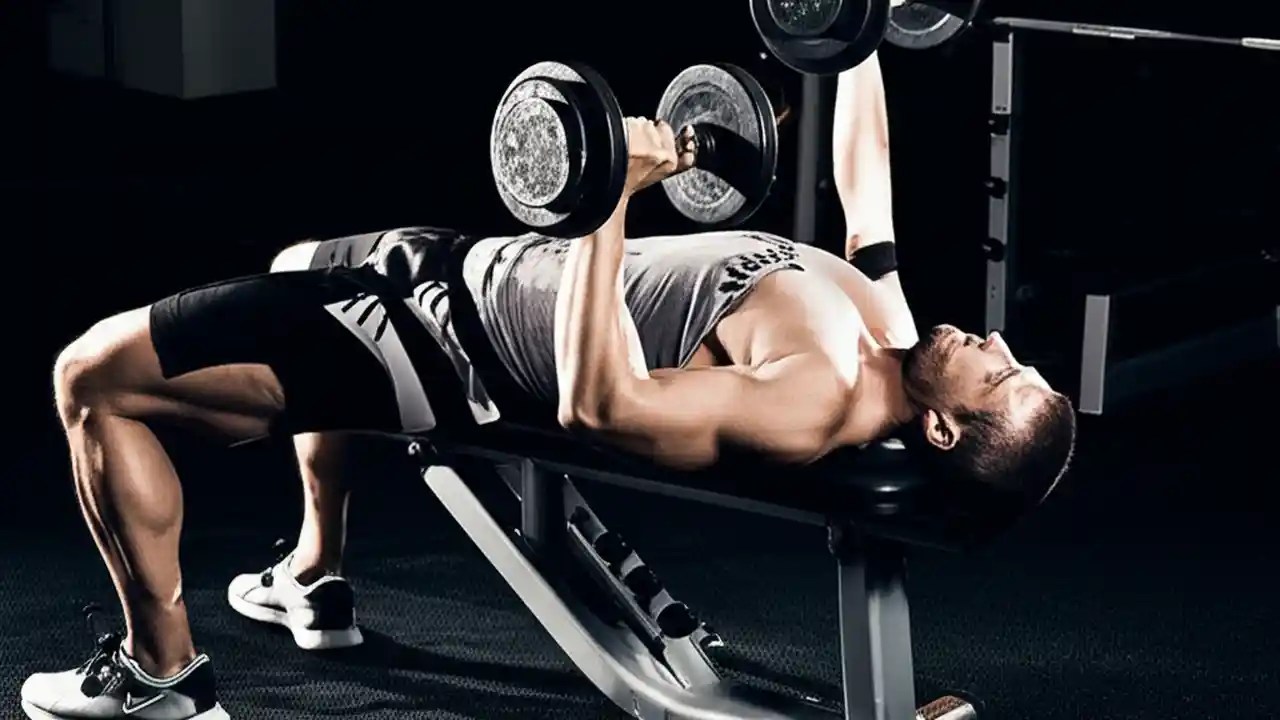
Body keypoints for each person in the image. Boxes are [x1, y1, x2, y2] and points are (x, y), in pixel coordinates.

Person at [23, 53, 1076, 720]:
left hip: (433, 340)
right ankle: (314, 570)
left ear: (941, 431)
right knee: (302, 254)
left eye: (998, 368)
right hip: (453, 268)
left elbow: (599, 405)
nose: (989, 335)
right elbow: (867, 180)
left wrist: (608, 200)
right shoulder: (887, 335)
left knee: (90, 379)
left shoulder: (813, 399)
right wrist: (845, 41)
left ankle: (160, 677)